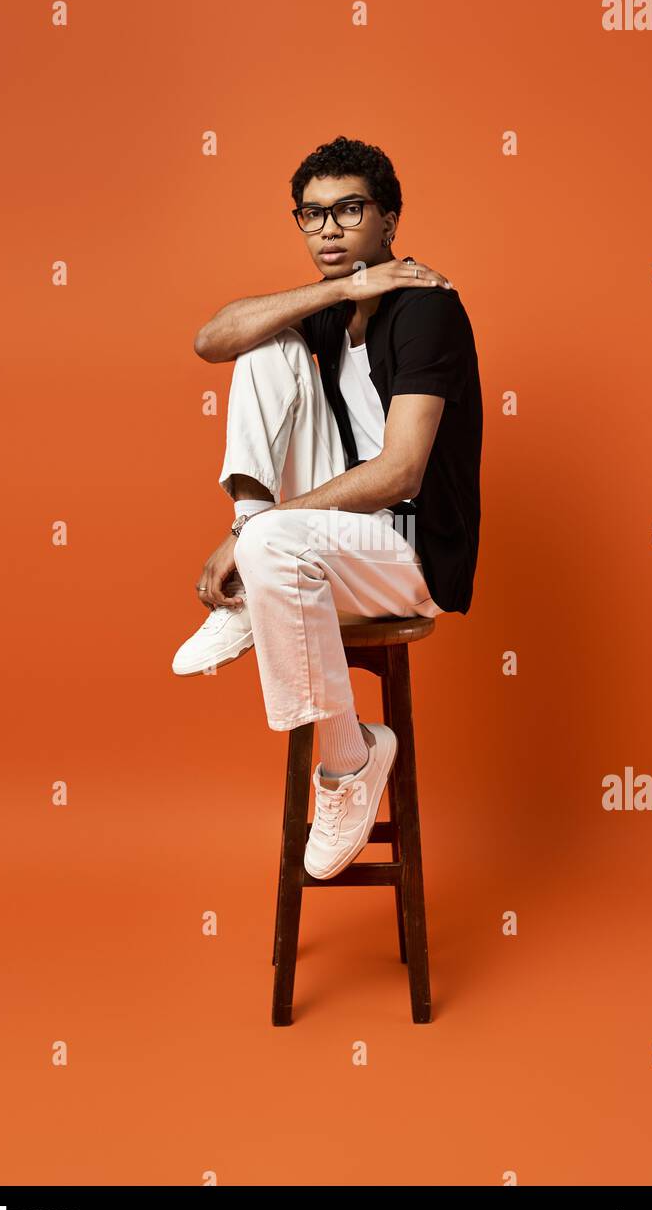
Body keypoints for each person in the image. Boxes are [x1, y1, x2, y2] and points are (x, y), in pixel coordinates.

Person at [172, 135, 482, 880]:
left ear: (389, 218)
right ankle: (262, 553)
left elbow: (400, 470)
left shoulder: (426, 311)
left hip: (404, 551)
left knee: (274, 546)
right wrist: (337, 292)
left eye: (348, 209)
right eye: (311, 216)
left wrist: (258, 536)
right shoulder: (335, 309)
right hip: (329, 534)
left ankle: (349, 764)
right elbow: (211, 340)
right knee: (260, 345)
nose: (328, 230)